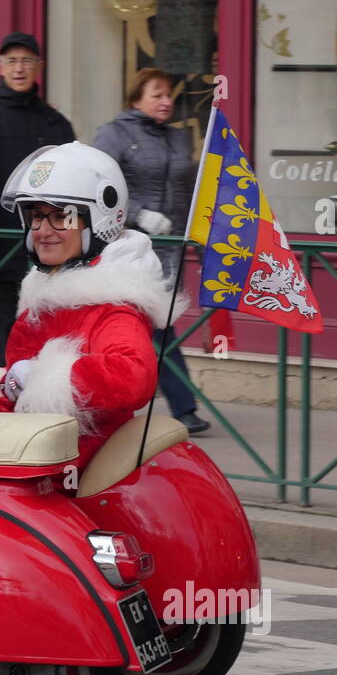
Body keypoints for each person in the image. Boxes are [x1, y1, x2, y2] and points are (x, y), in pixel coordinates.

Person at [0, 142, 181, 468]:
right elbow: (23, 372)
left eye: (61, 217)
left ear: (98, 220)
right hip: (28, 449)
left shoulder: (113, 305)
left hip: (65, 464)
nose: (42, 231)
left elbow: (134, 377)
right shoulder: (53, 291)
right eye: (35, 217)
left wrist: (43, 379)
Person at [92, 67, 210, 434]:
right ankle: (182, 406)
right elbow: (97, 184)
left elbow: (188, 190)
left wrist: (199, 240)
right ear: (136, 98)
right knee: (149, 326)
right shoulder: (114, 133)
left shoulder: (177, 139)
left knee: (157, 324)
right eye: (156, 94)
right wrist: (138, 213)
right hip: (125, 246)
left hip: (169, 249)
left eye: (169, 95)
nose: (166, 101)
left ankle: (140, 399)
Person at [0, 32, 75, 368]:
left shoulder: (55, 122)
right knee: (1, 332)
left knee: (48, 332)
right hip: (0, 249)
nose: (19, 68)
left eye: (27, 61)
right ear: (0, 67)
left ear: (39, 67)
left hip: (50, 250)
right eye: (11, 61)